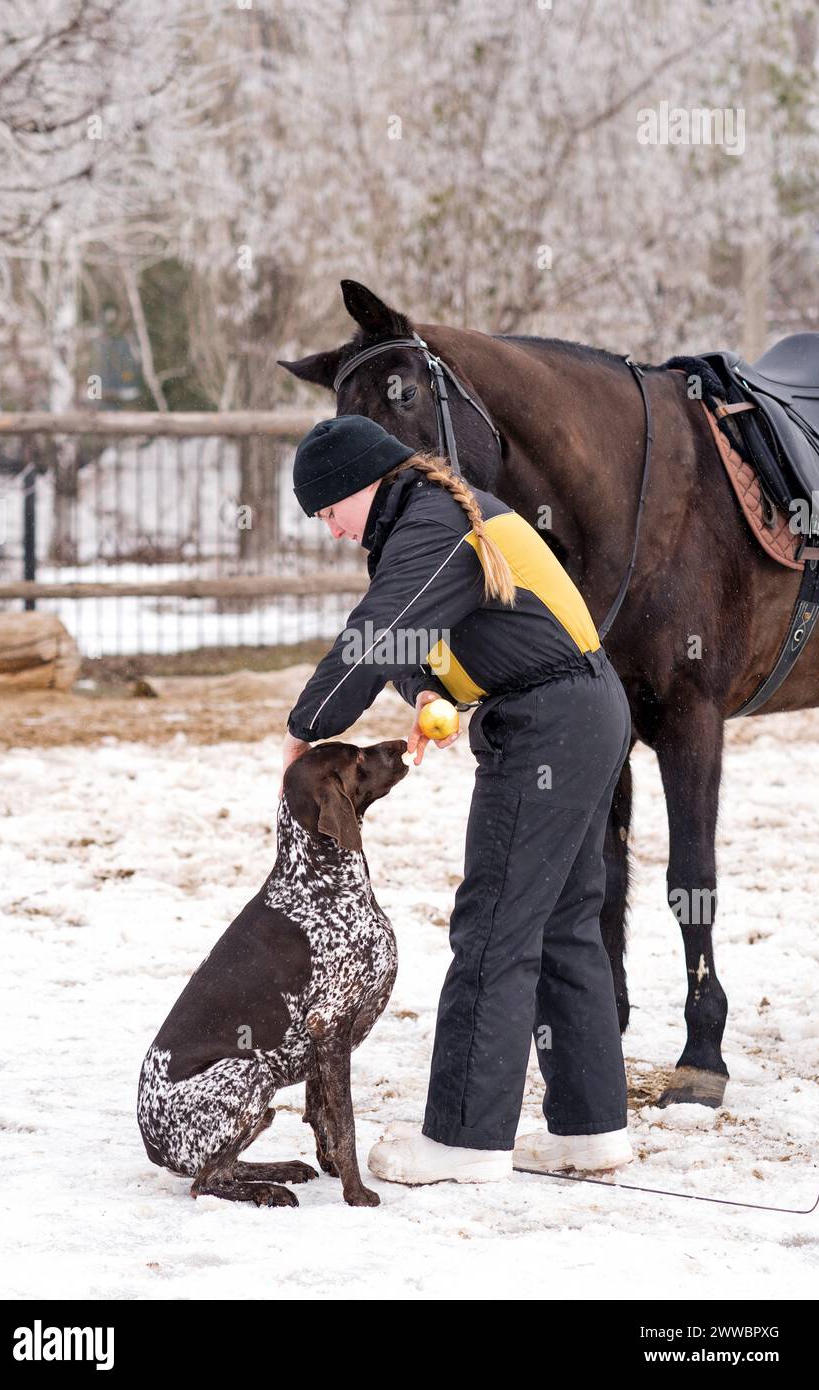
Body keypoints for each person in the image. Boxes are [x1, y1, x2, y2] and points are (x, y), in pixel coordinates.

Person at [283, 414, 633, 1185]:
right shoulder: (439, 515)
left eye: (328, 511)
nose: (332, 531)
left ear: (358, 486)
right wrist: (429, 694)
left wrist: (309, 727)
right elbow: (418, 641)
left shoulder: (433, 520)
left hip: (548, 722)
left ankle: (465, 1140)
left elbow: (377, 633)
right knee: (564, 921)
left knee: (494, 925)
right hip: (585, 710)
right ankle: (590, 1130)